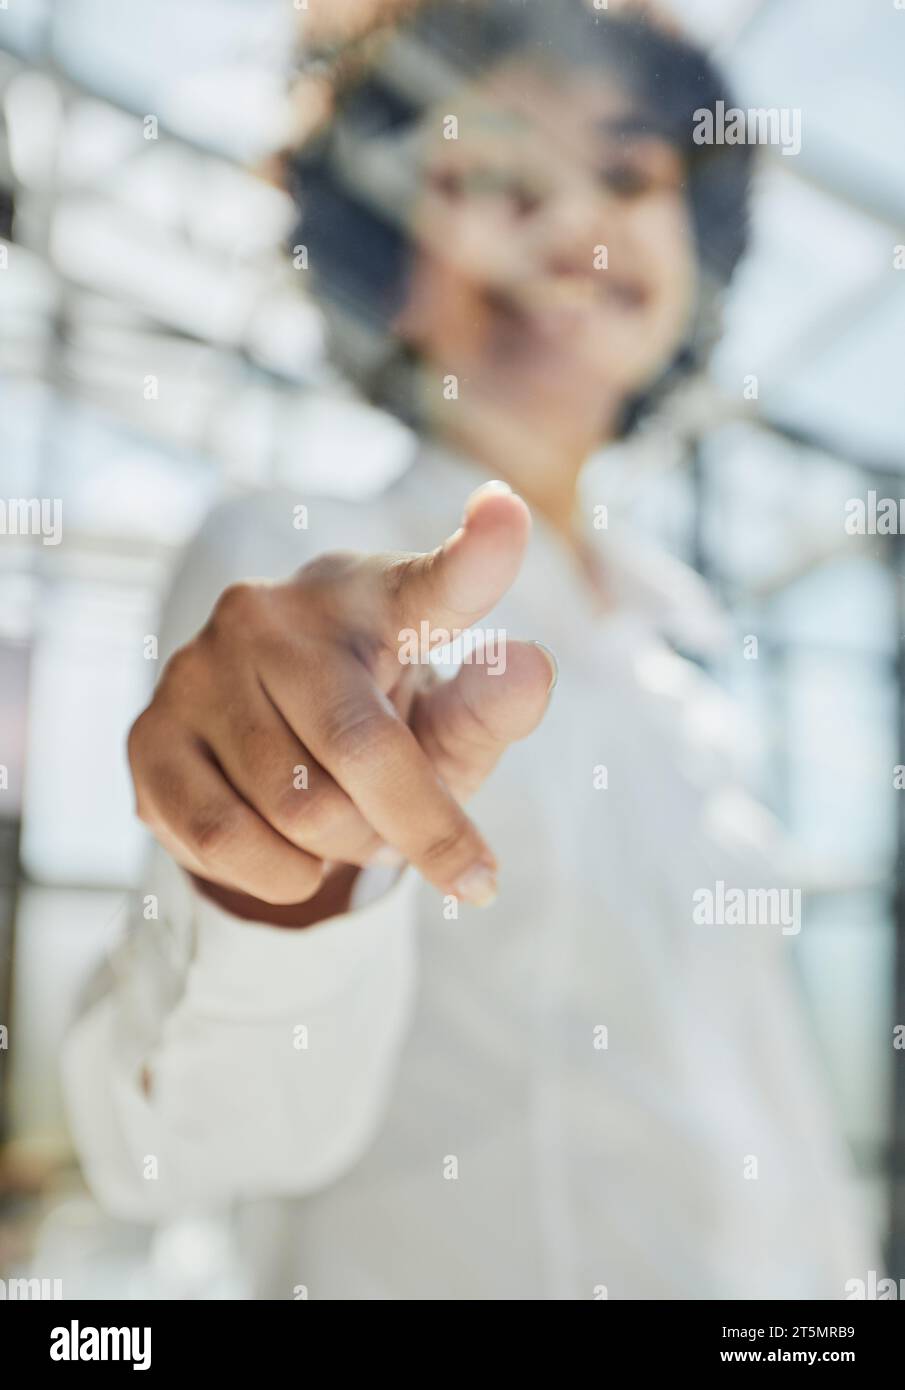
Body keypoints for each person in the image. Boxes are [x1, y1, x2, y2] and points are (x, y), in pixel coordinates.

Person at [62, 1, 876, 1298]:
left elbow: (764, 1112)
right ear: (387, 241)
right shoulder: (283, 576)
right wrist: (281, 886)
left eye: (624, 171)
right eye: (492, 172)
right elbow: (168, 1156)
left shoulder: (689, 671)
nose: (568, 223)